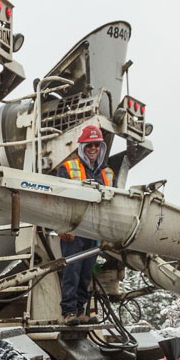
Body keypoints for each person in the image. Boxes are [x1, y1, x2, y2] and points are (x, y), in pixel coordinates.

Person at [55, 125, 115, 324]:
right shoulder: (68, 168)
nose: (93, 148)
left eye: (96, 145)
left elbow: (111, 204)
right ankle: (69, 312)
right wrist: (61, 227)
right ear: (82, 146)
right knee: (72, 271)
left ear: (101, 147)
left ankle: (80, 311)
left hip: (93, 230)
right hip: (74, 229)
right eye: (89, 145)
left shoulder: (107, 174)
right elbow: (58, 200)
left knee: (86, 273)